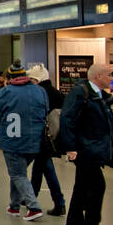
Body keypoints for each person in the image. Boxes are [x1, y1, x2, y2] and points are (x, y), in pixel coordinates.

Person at [61, 63, 113, 225]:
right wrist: (70, 147)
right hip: (85, 150)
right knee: (97, 187)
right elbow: (67, 120)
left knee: (82, 188)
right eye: (109, 74)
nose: (112, 78)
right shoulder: (80, 93)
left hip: (93, 148)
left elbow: (110, 126)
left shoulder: (101, 97)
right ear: (98, 76)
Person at [0, 61, 49, 221]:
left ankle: (34, 207)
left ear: (9, 77)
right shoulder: (40, 91)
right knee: (18, 173)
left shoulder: (5, 92)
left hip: (12, 140)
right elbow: (46, 110)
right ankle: (14, 206)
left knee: (18, 174)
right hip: (35, 140)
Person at [27, 64, 66, 216]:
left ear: (36, 80)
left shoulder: (39, 93)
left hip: (42, 136)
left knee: (46, 168)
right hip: (53, 137)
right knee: (39, 167)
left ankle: (59, 202)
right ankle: (30, 197)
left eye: (31, 79)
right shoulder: (57, 93)